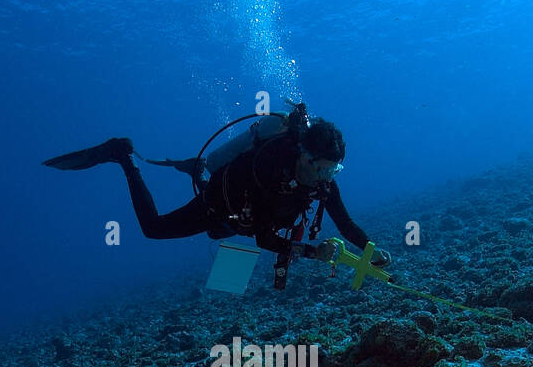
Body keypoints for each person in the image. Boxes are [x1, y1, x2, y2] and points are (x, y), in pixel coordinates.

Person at [43, 105, 390, 288]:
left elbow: (345, 222)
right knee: (154, 229)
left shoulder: (321, 180)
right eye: (322, 168)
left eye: (334, 170)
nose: (326, 177)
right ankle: (124, 157)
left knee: (223, 235)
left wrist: (370, 251)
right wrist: (313, 252)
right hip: (219, 205)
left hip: (244, 219)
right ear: (303, 154)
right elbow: (264, 238)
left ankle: (192, 167)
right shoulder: (269, 168)